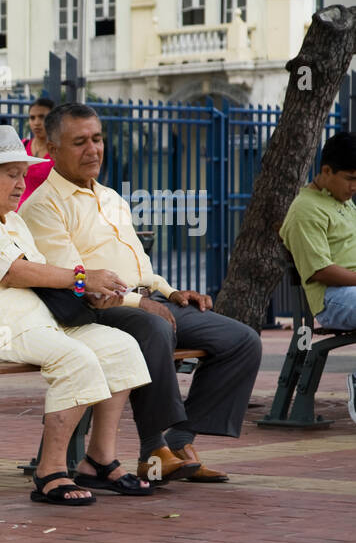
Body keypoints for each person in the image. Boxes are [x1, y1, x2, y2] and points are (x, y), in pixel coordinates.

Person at [20, 103, 263, 483]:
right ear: (52, 149)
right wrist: (140, 301)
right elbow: (78, 282)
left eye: (97, 139)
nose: (93, 150)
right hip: (92, 309)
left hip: (143, 301)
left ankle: (179, 441)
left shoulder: (112, 197)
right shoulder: (44, 206)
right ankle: (153, 447)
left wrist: (171, 291)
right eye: (79, 142)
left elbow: (139, 265)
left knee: (241, 340)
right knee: (154, 327)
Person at [0, 125, 153, 505]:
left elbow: (45, 276)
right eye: (11, 174)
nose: (20, 183)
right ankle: (50, 471)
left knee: (121, 346)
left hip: (34, 323)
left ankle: (99, 460)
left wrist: (89, 291)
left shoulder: (11, 220)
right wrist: (83, 276)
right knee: (75, 359)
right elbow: (13, 271)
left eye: (22, 174)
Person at [280, 131, 356, 426]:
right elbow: (321, 270)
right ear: (326, 171)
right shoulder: (305, 210)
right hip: (333, 299)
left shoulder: (342, 201)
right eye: (349, 178)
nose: (353, 187)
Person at [18, 96, 55, 208]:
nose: (36, 122)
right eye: (32, 118)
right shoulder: (21, 145)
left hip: (45, 214)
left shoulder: (59, 151)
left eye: (42, 117)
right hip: (16, 215)